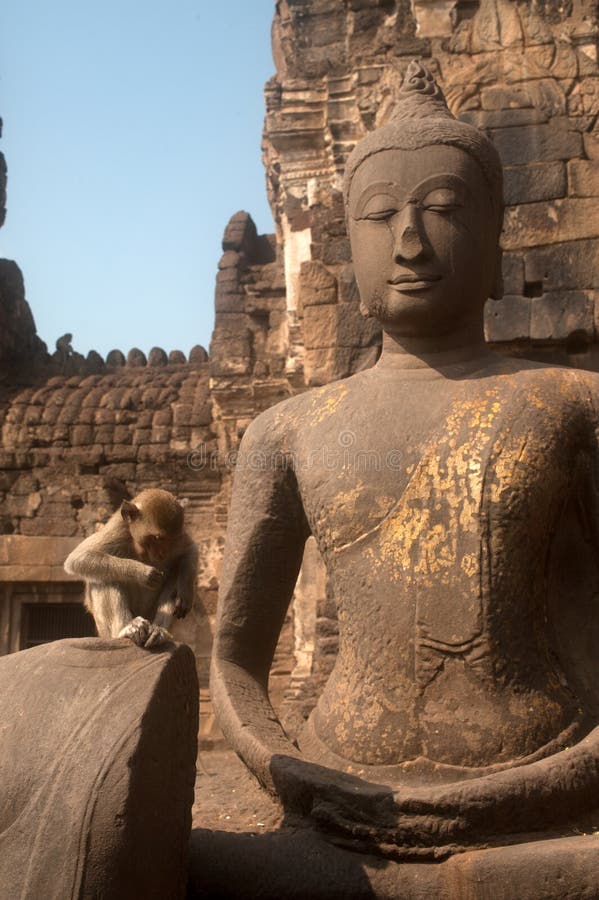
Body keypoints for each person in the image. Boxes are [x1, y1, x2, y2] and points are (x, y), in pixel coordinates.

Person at [211, 60, 599, 855]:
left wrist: (554, 779)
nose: (412, 242)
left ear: (494, 245)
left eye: (445, 210)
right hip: (331, 801)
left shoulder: (572, 407)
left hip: (544, 800)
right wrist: (288, 770)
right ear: (348, 250)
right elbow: (236, 662)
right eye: (381, 216)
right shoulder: (285, 433)